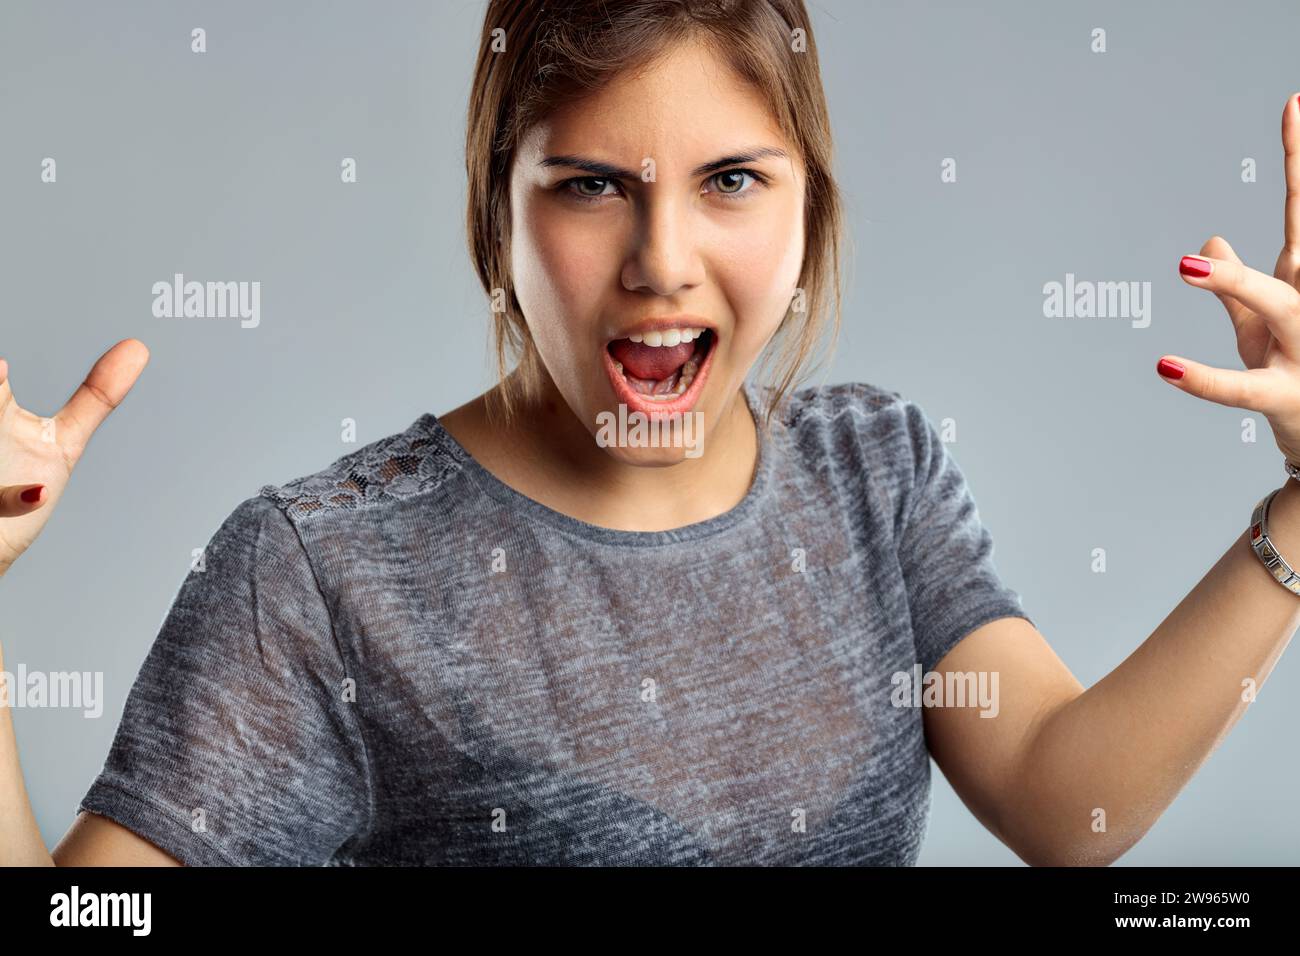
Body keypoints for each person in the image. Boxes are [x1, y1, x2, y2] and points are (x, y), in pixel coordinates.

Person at [4, 0, 1300, 866]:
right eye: (589, 188)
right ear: (496, 221)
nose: (661, 262)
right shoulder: (323, 569)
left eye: (732, 181)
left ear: (812, 213)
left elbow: (1064, 802)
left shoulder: (874, 472)